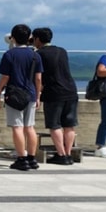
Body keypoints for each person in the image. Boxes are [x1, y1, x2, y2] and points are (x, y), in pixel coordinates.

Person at [0, 23, 44, 171]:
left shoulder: (9, 55)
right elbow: (39, 78)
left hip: (14, 95)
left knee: (17, 126)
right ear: (29, 38)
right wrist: (38, 95)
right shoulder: (36, 55)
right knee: (30, 127)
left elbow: (5, 77)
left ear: (13, 38)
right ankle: (32, 158)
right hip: (31, 94)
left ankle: (21, 158)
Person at [31, 27, 79, 165]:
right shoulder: (62, 51)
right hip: (71, 90)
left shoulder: (39, 54)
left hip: (54, 92)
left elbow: (38, 76)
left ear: (37, 39)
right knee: (69, 125)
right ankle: (68, 154)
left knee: (55, 125)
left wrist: (38, 94)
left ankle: (61, 154)